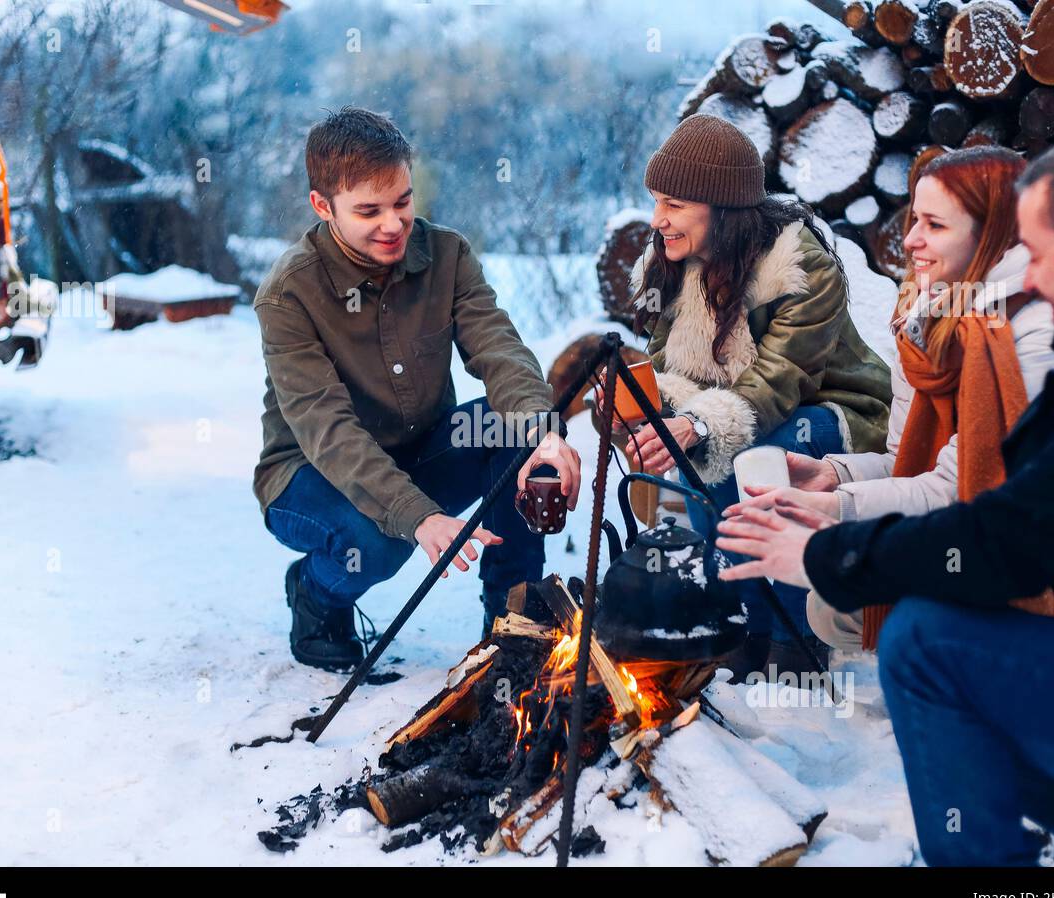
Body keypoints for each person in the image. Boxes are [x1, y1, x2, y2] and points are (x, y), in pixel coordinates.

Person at [714, 128, 1054, 866]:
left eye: (1038, 255)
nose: (1030, 279)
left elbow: (1007, 534)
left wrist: (827, 549)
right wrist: (838, 490)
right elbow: (989, 497)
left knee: (926, 639)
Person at [254, 107, 581, 671]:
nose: (392, 225)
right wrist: (415, 515)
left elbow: (498, 348)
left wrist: (542, 433)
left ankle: (513, 619)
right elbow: (328, 431)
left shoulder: (447, 256)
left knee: (515, 428)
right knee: (379, 542)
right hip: (310, 473)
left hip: (420, 449)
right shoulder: (289, 293)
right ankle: (314, 592)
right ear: (322, 206)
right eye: (368, 211)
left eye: (402, 202)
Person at [739, 146, 1054, 652]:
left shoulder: (1032, 335)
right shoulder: (928, 324)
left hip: (1042, 561)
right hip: (964, 533)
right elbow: (903, 465)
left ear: (993, 232)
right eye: (913, 220)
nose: (910, 240)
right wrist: (834, 474)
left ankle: (983, 682)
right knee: (833, 606)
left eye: (934, 225)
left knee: (866, 594)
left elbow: (958, 491)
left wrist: (835, 507)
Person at [624, 113, 891, 672]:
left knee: (757, 457)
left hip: (830, 410)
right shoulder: (669, 266)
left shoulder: (798, 268)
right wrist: (648, 408)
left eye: (673, 205)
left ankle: (795, 634)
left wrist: (697, 424)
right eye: (655, 202)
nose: (658, 220)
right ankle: (741, 622)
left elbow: (779, 382)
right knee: (702, 453)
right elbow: (663, 364)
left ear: (720, 207)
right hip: (733, 410)